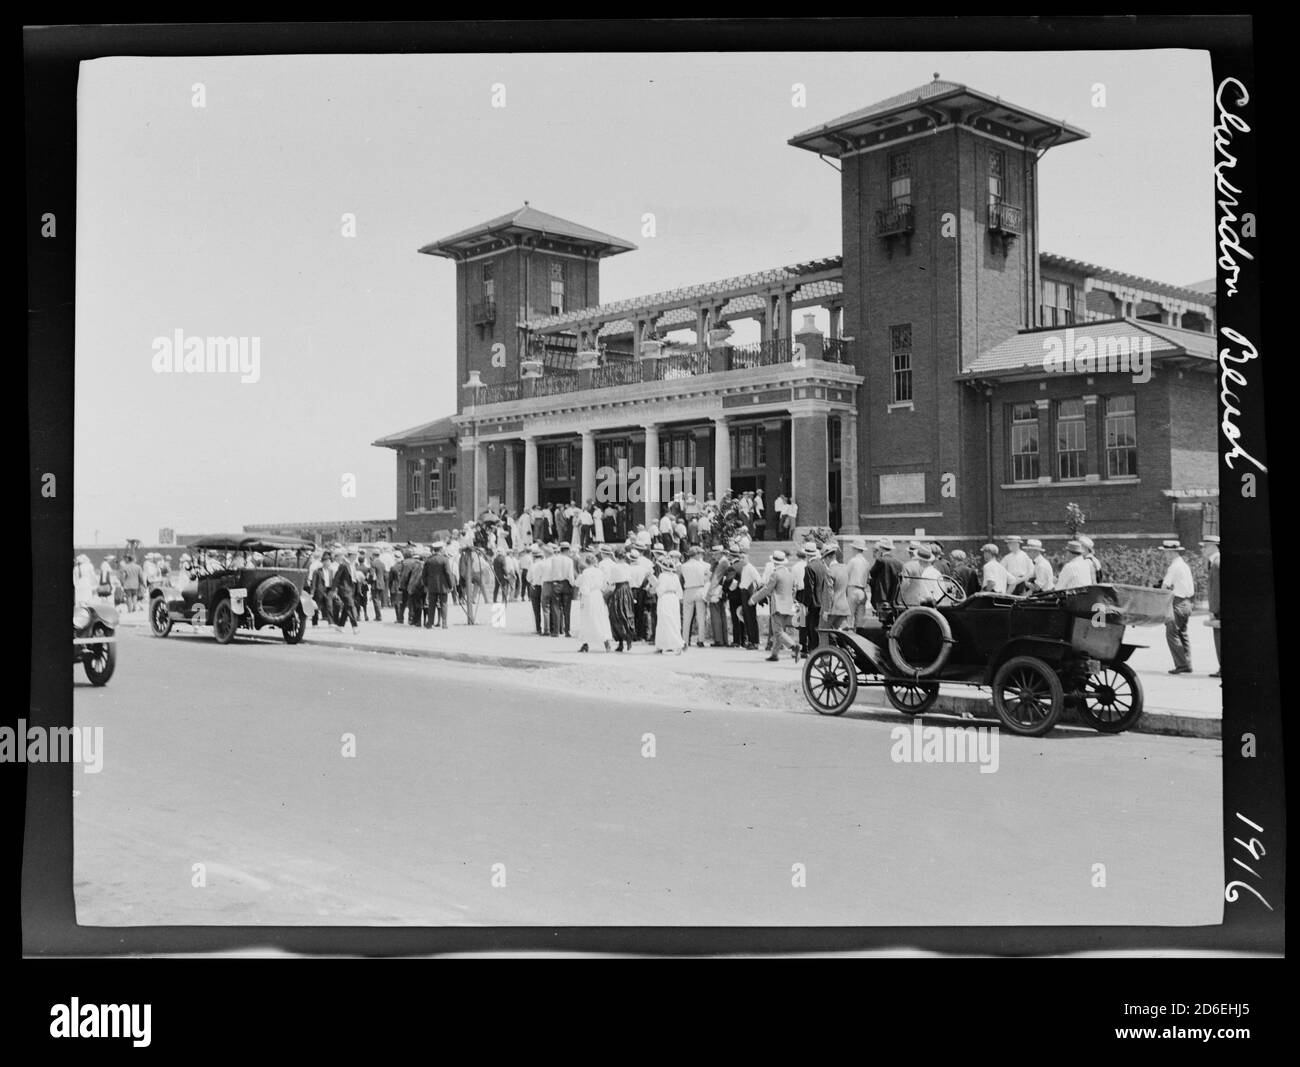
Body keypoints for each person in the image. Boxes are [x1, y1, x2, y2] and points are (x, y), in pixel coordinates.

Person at [750, 549, 800, 661]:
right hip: (788, 606)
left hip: (778, 606)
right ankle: (775, 654)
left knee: (777, 632)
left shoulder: (775, 574)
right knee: (781, 630)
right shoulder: (789, 574)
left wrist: (754, 599)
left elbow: (767, 589)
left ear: (774, 562)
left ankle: (794, 646)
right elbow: (794, 589)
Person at [1160, 540, 1195, 675]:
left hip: (1177, 602)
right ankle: (1187, 663)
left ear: (1172, 552)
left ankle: (1181, 665)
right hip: (1187, 602)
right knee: (1182, 633)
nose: (1165, 555)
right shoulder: (1184, 565)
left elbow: (1165, 586)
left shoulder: (1174, 567)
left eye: (1166, 553)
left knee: (1172, 633)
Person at [574, 552, 614, 653]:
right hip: (598, 595)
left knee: (587, 618)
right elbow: (604, 584)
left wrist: (583, 597)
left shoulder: (586, 572)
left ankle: (586, 643)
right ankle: (606, 642)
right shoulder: (599, 572)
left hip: (589, 596)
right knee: (600, 617)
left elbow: (583, 586)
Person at [679, 546, 711, 650]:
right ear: (697, 555)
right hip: (700, 589)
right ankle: (701, 639)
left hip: (688, 589)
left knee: (687, 618)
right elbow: (707, 578)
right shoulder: (704, 566)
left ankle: (685, 640)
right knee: (701, 617)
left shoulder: (684, 566)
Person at [606, 548, 637, 652]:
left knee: (616, 615)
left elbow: (611, 581)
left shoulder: (614, 567)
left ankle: (620, 641)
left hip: (618, 590)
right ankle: (628, 637)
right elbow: (631, 580)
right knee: (627, 613)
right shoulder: (628, 566)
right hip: (627, 590)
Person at [654, 560, 685, 654]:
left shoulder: (662, 576)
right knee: (674, 620)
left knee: (665, 621)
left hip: (665, 598)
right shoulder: (675, 576)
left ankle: (670, 644)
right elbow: (680, 592)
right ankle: (669, 644)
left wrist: (654, 586)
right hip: (674, 598)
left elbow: (660, 590)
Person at [423, 542, 456, 629]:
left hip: (432, 586)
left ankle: (430, 623)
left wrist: (426, 584)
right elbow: (448, 573)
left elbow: (424, 575)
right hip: (443, 586)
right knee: (444, 604)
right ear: (441, 549)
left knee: (431, 605)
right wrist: (450, 585)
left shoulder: (429, 560)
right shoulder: (444, 560)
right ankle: (444, 624)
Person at [868, 538, 903, 617]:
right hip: (894, 596)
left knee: (882, 619)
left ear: (881, 548)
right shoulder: (899, 563)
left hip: (882, 596)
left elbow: (872, 573)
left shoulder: (881, 561)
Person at [1201, 535, 1220, 678]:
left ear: (1214, 546)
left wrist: (1213, 610)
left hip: (1219, 610)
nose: (1203, 549)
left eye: (1205, 546)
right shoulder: (1215, 562)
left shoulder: (1216, 563)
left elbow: (1216, 590)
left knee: (1219, 640)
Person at [820, 542, 851, 630]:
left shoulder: (829, 571)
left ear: (828, 557)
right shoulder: (845, 568)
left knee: (823, 633)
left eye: (824, 559)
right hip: (844, 607)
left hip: (832, 609)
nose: (824, 562)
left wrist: (826, 610)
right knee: (845, 636)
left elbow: (829, 592)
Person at [331, 550, 361, 633]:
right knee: (351, 606)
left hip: (352, 588)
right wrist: (333, 590)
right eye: (354, 555)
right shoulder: (343, 565)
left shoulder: (353, 565)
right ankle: (355, 626)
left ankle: (340, 626)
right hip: (344, 589)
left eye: (356, 555)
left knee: (346, 608)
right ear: (350, 555)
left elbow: (354, 578)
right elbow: (337, 578)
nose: (355, 557)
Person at [552, 543, 576, 638]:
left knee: (556, 608)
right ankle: (567, 630)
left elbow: (553, 571)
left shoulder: (554, 559)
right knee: (567, 609)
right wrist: (573, 584)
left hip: (556, 583)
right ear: (567, 550)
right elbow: (570, 575)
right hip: (566, 583)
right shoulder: (569, 560)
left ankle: (556, 630)